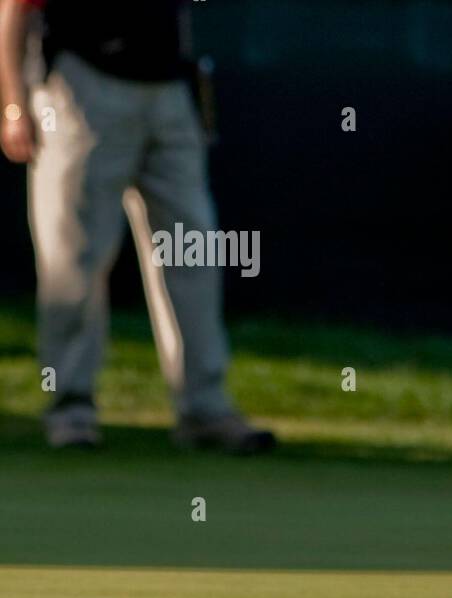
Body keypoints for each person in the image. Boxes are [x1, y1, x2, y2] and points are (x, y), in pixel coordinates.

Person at [0, 0, 274, 452]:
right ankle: (71, 408)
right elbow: (14, 7)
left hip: (169, 87)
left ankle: (204, 408)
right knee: (74, 259)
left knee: (194, 249)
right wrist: (13, 104)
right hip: (80, 85)